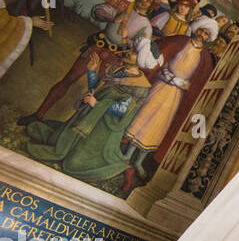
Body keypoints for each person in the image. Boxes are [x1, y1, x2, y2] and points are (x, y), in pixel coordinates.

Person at [25, 38, 159, 186]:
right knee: (54, 139)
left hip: (103, 131)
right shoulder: (117, 70)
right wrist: (91, 71)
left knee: (73, 163)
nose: (127, 52)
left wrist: (98, 104)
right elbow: (95, 89)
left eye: (134, 52)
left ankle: (123, 170)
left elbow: (123, 111)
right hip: (89, 119)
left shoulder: (141, 87)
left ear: (142, 59)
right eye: (130, 49)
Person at [121, 17, 218, 190]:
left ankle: (139, 162)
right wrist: (174, 80)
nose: (202, 35)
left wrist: (183, 86)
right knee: (143, 118)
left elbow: (198, 84)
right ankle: (126, 156)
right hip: (161, 87)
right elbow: (162, 63)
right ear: (197, 30)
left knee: (157, 128)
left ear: (208, 37)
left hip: (175, 98)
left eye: (206, 34)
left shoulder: (205, 58)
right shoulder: (180, 41)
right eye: (202, 31)